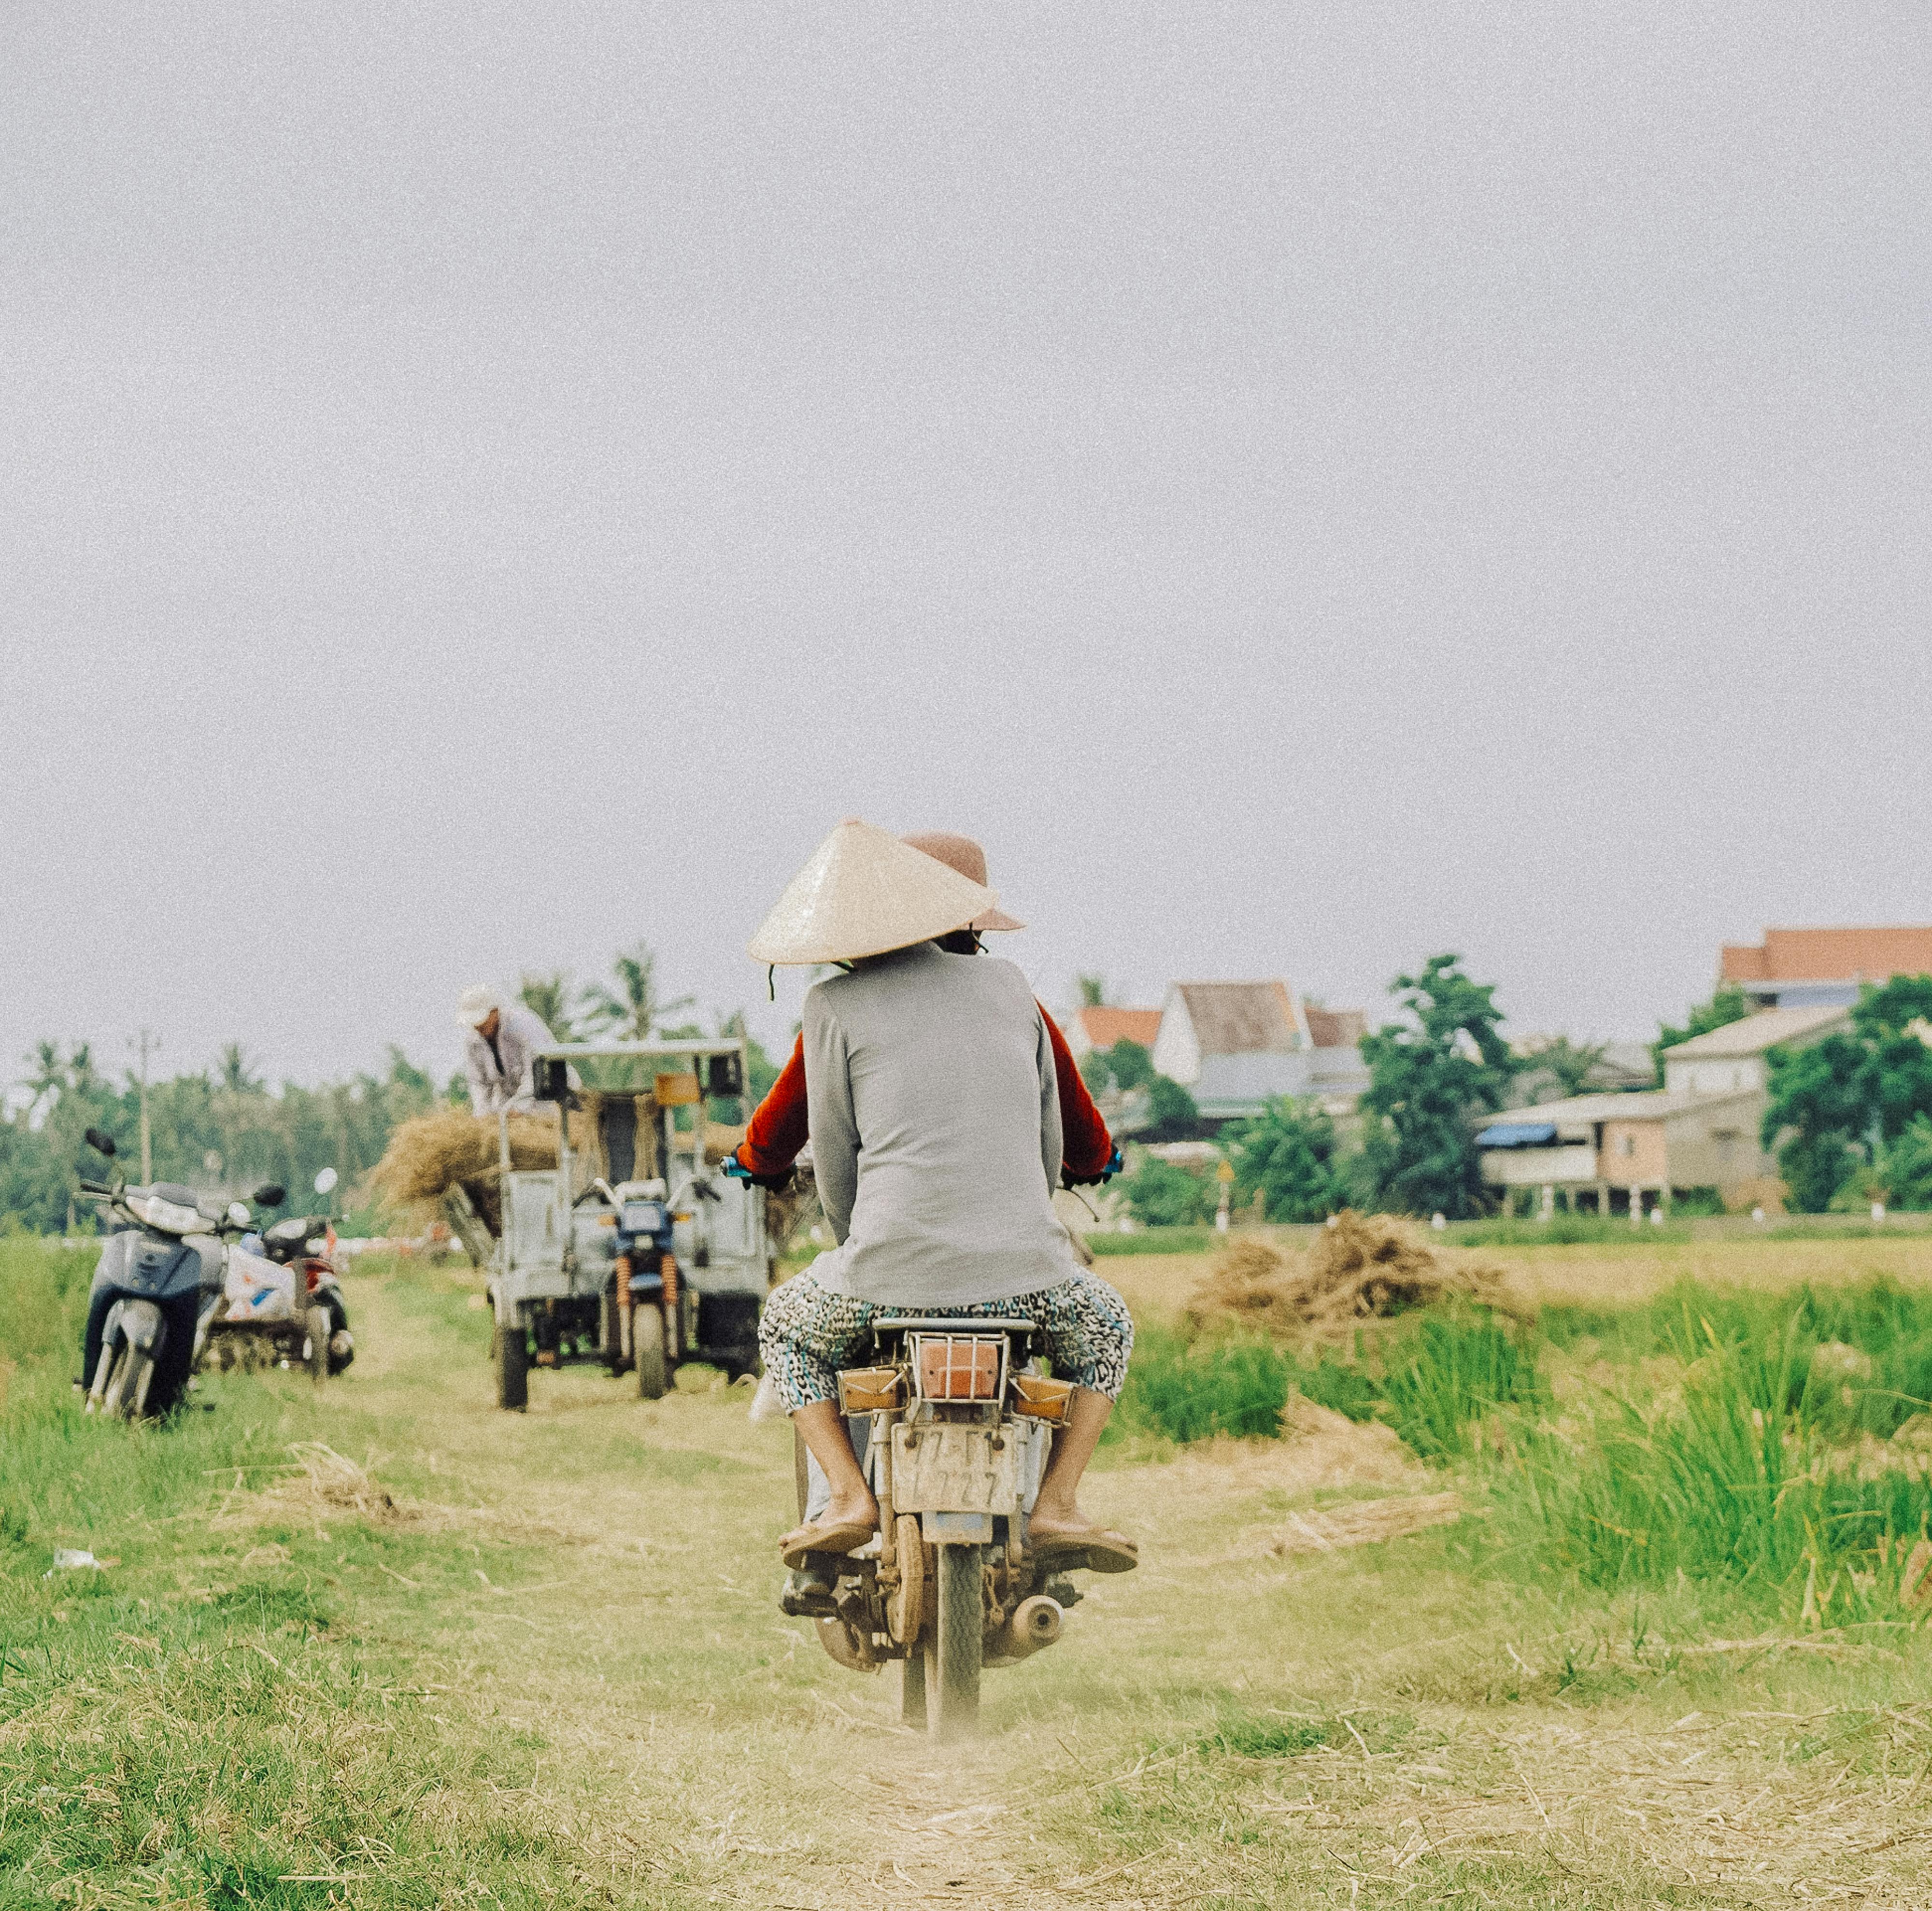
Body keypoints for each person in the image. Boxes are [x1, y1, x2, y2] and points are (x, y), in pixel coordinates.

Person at [741, 819, 1137, 1575]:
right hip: (1031, 1278)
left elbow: (833, 1156)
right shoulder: (1011, 987)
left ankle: (850, 1499)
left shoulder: (832, 1004)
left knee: (788, 1326)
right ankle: (1057, 1504)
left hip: (885, 1272)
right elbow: (1053, 1146)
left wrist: (863, 1241)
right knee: (1108, 1324)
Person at [456, 985, 560, 1116]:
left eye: (481, 1020)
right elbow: (478, 1082)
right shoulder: (473, 1041)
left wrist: (519, 1108)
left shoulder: (523, 1025)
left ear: (494, 1012)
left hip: (550, 1096)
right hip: (511, 1100)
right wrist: (482, 1115)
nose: (478, 1026)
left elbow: (536, 1072)